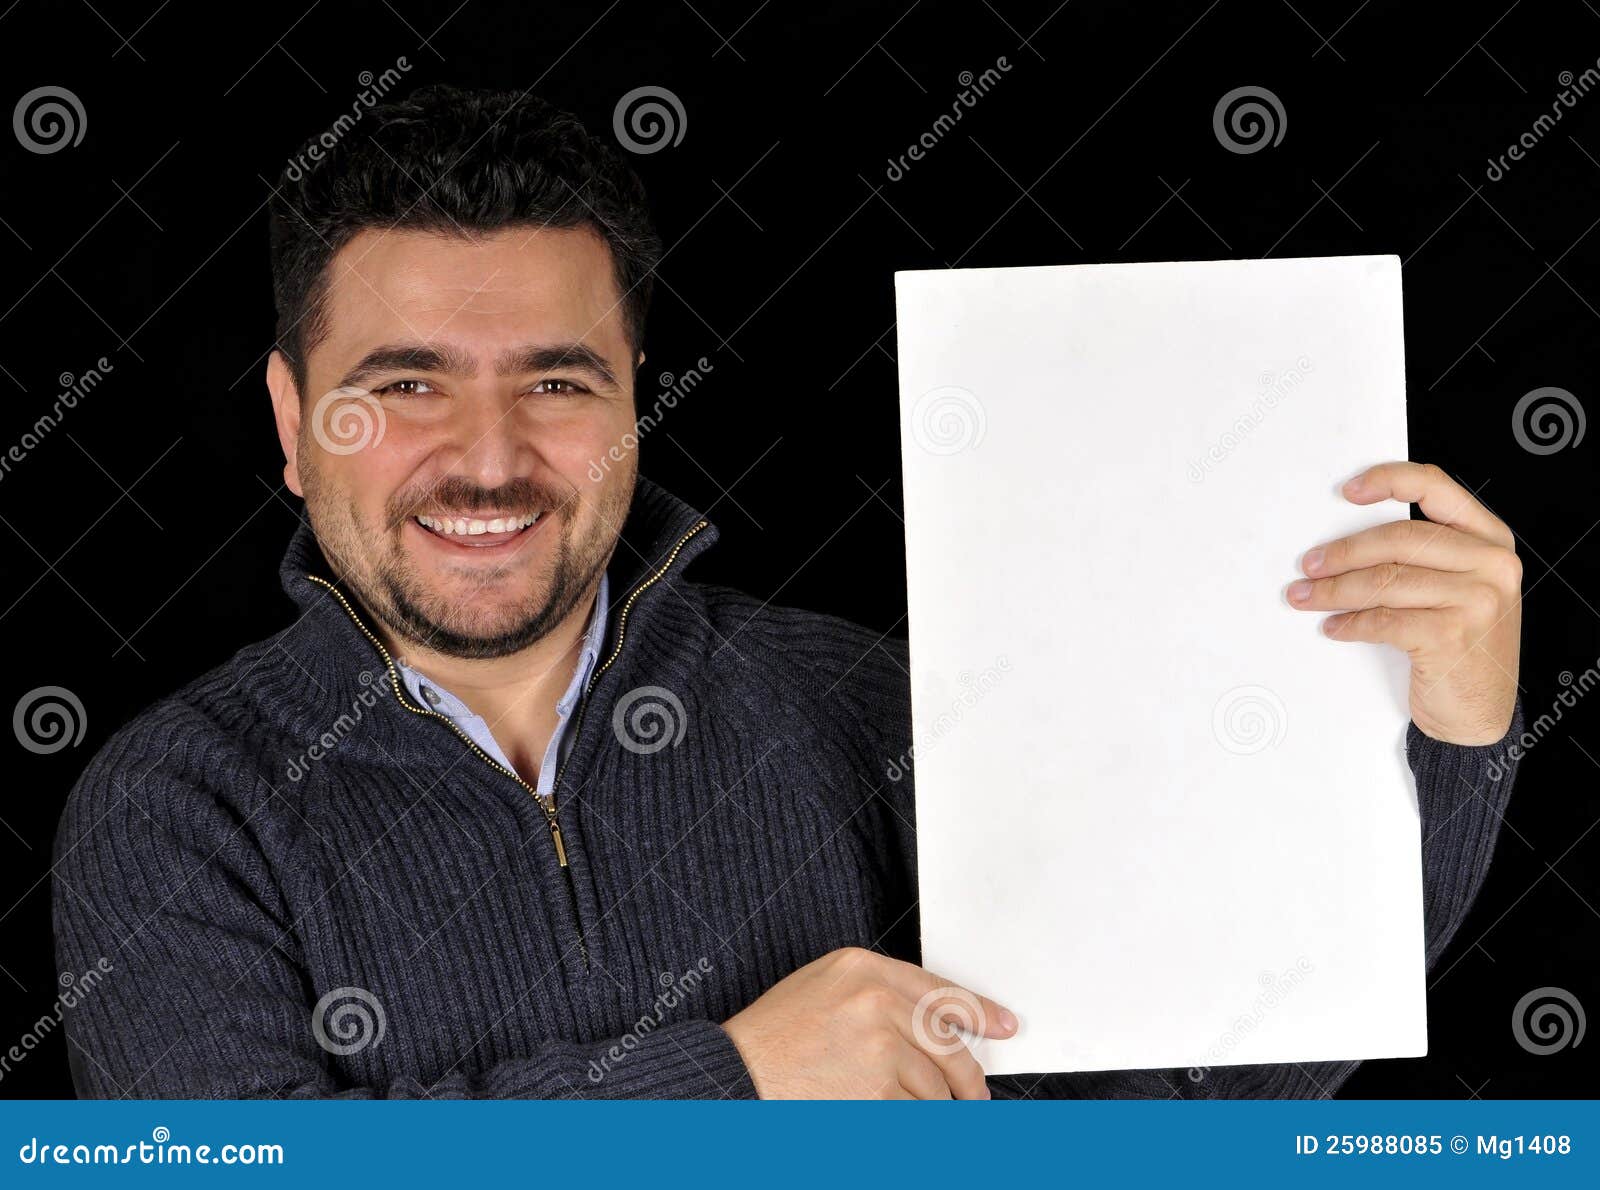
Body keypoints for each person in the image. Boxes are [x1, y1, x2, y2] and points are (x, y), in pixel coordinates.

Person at [54, 84, 1524, 1100]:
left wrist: (1453, 738)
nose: (486, 458)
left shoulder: (862, 702)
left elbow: (1166, 1098)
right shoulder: (182, 804)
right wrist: (735, 1078)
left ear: (636, 397)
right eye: (406, 386)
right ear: (293, 424)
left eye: (556, 381)